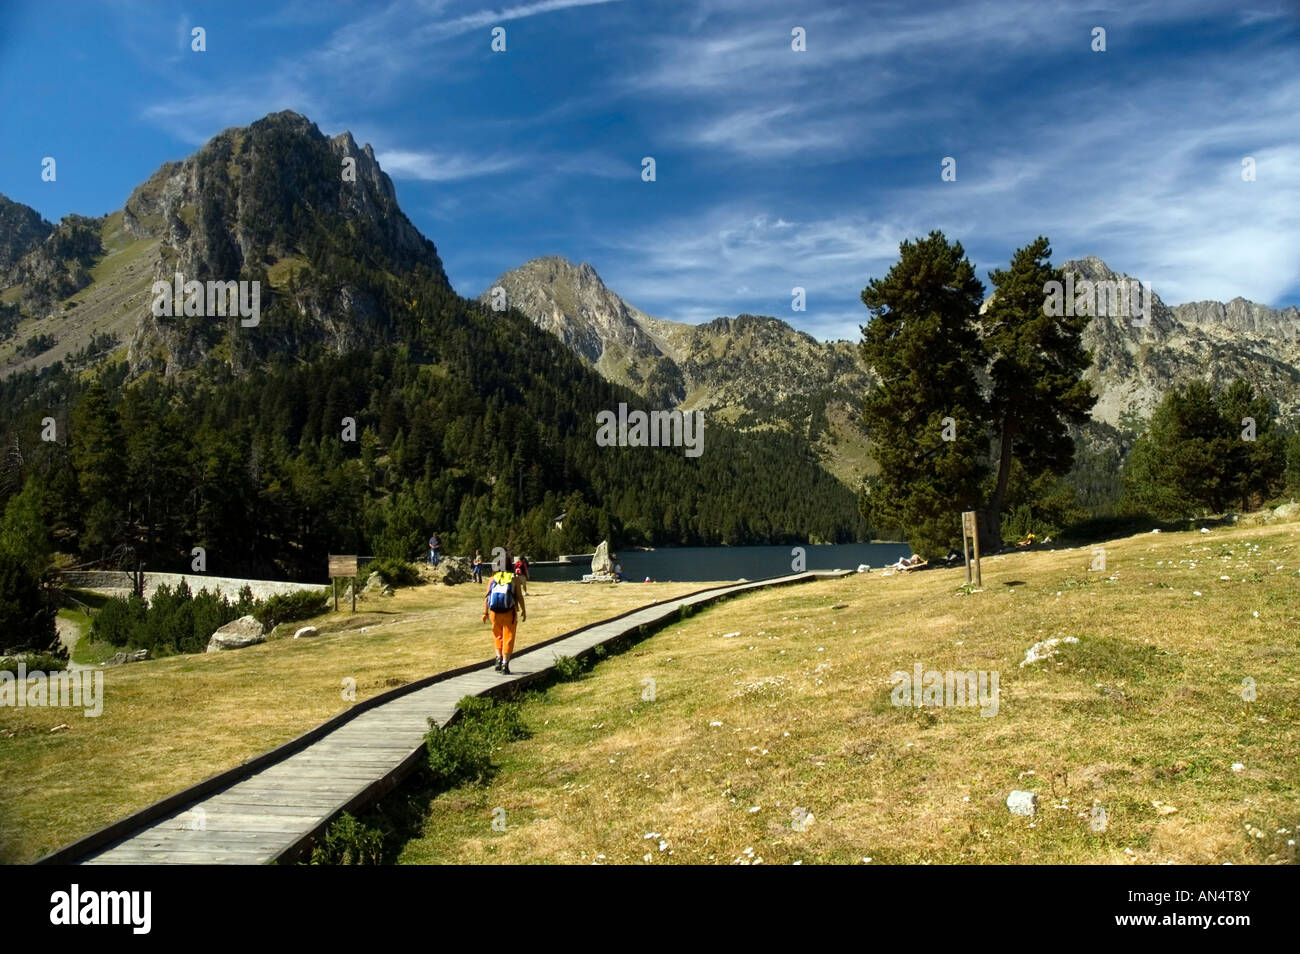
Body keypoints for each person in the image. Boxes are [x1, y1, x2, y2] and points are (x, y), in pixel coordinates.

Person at [483, 558, 526, 675]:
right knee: (508, 637)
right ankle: (505, 664)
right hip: (509, 612)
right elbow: (519, 596)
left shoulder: (492, 579)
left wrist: (485, 613)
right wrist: (523, 610)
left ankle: (498, 657)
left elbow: (487, 598)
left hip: (494, 613)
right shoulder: (514, 579)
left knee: (497, 635)